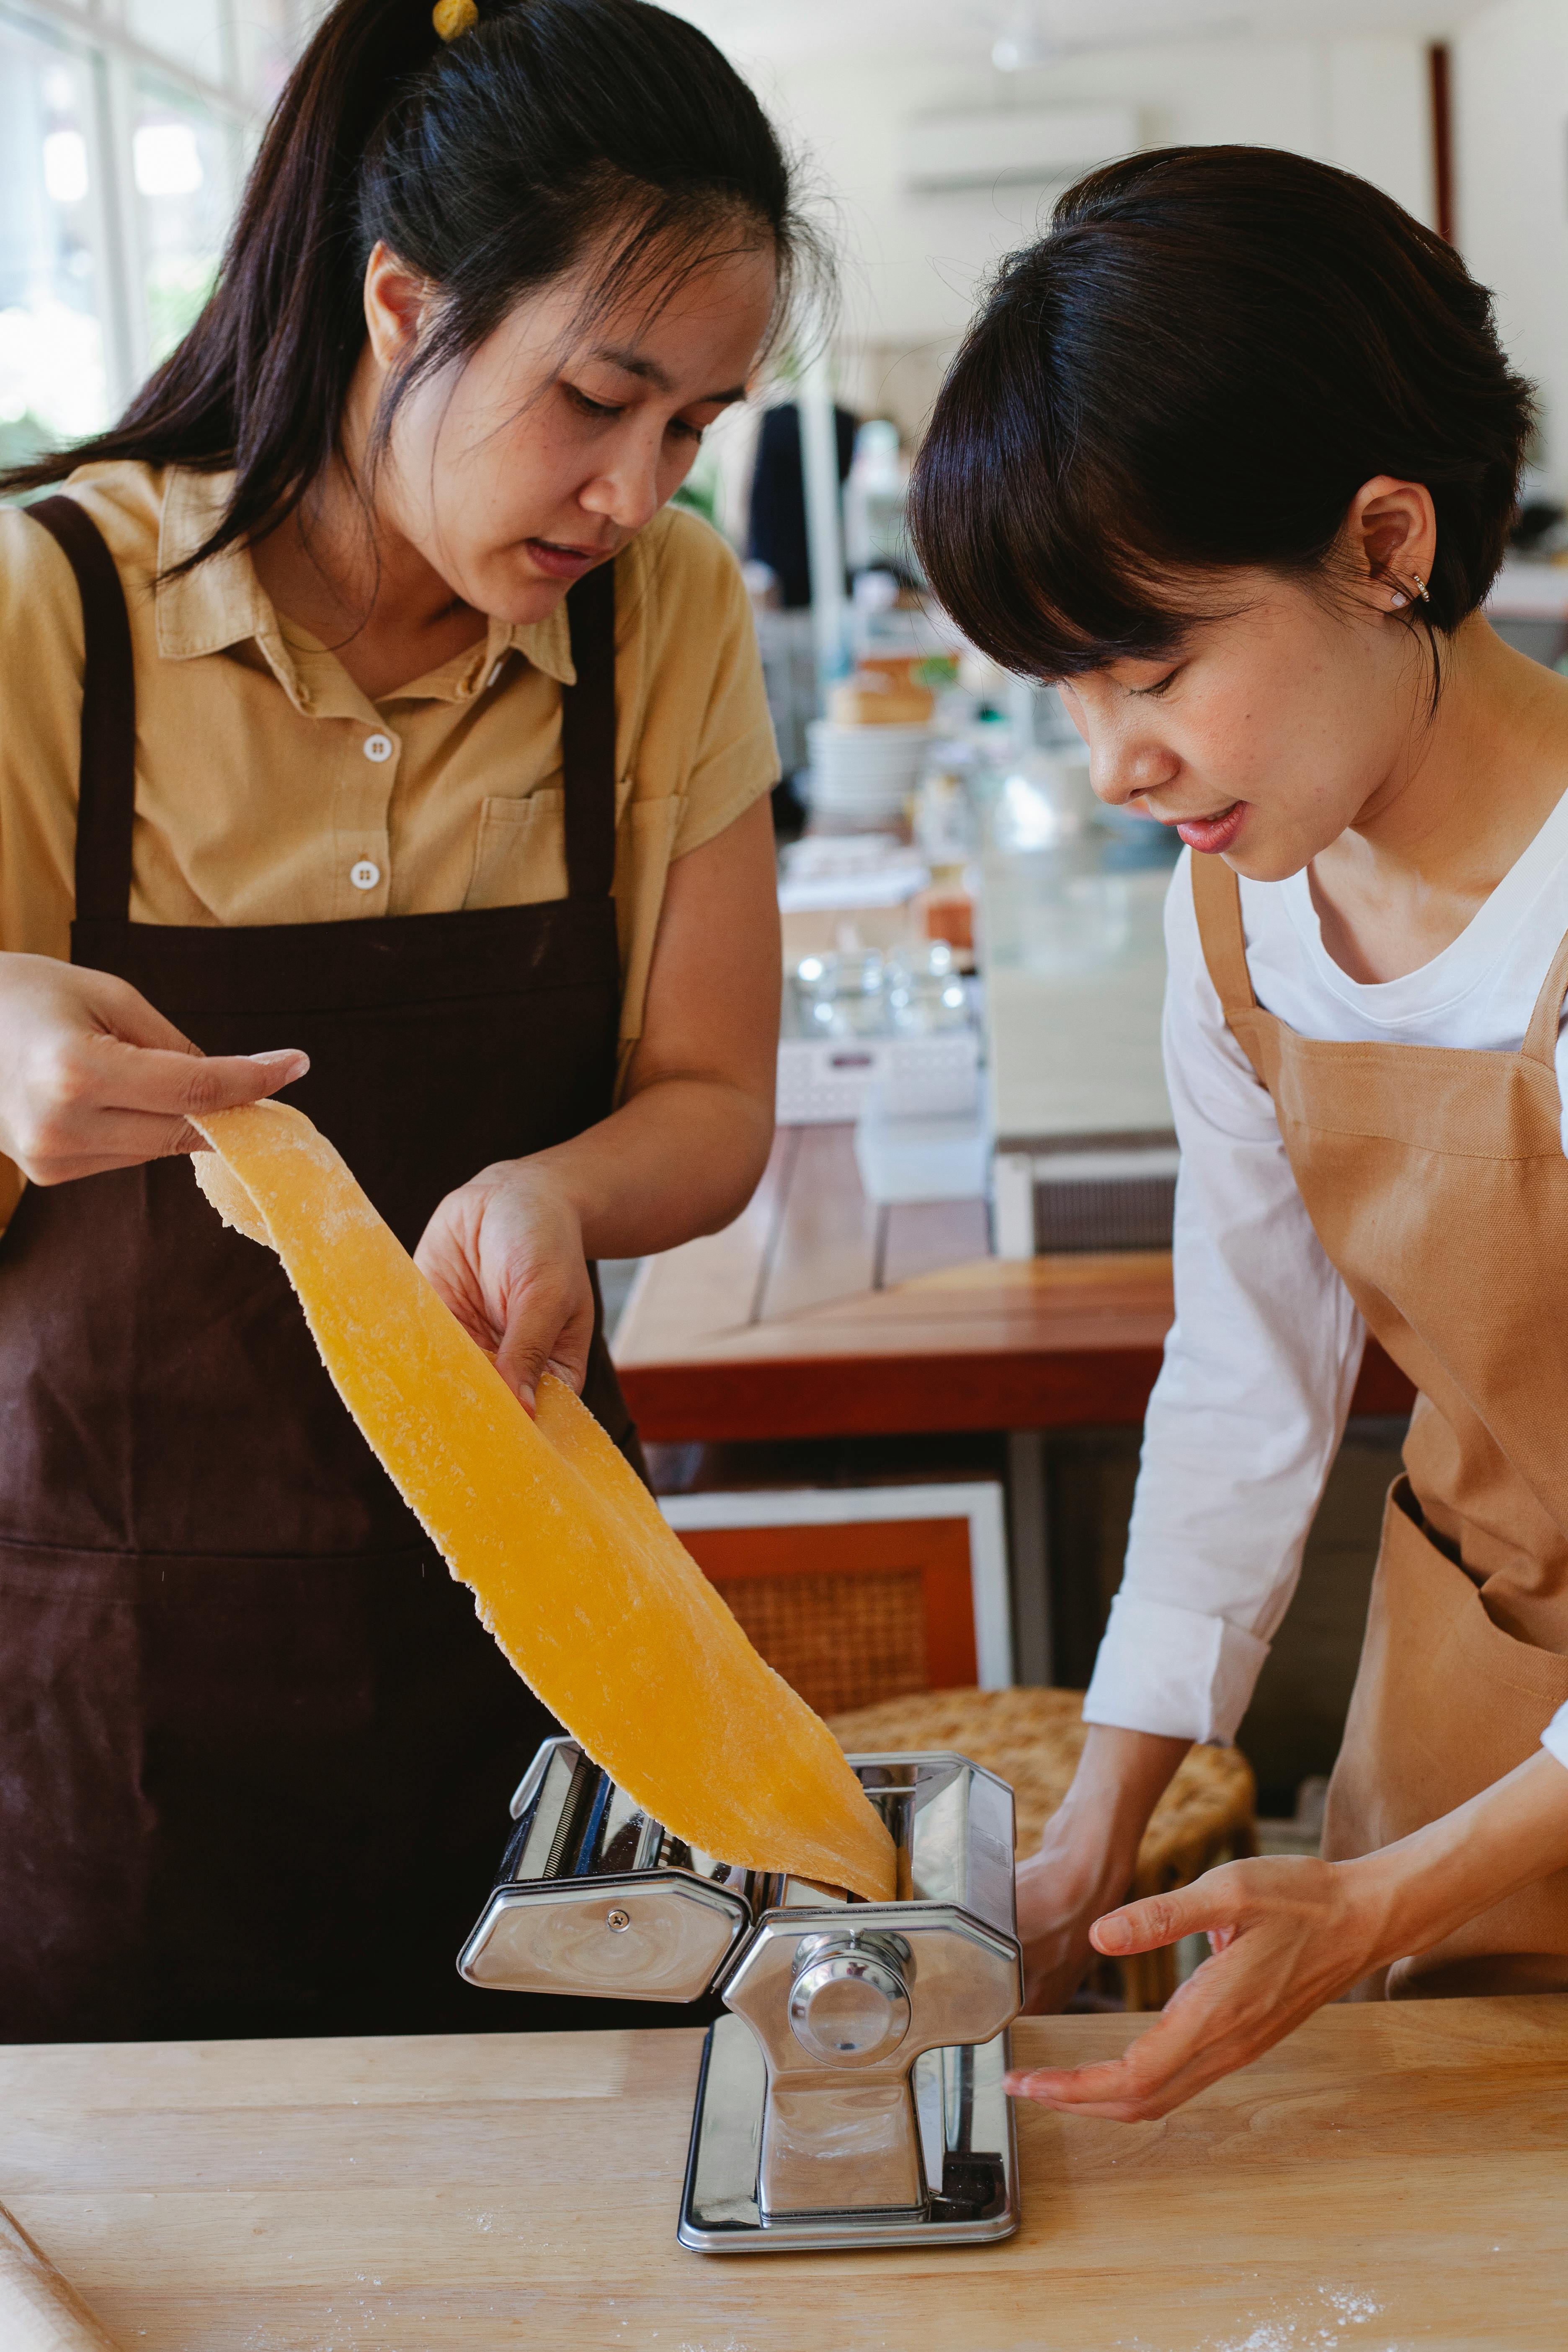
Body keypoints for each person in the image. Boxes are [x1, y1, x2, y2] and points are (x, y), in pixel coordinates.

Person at [0, 0, 813, 2042]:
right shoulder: (51, 615)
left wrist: (558, 1191)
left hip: (539, 1679)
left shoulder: (667, 622)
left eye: (695, 429)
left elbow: (713, 1100)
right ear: (398, 301)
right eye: (597, 403)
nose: (635, 492)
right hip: (105, 1704)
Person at [910, 144, 1568, 2120]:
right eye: (1065, 693)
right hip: (1464, 1686)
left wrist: (1380, 1906)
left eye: (1159, 664)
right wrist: (1093, 1827)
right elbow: (1250, 1373)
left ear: (1386, 542)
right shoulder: (1251, 903)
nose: (1117, 764)